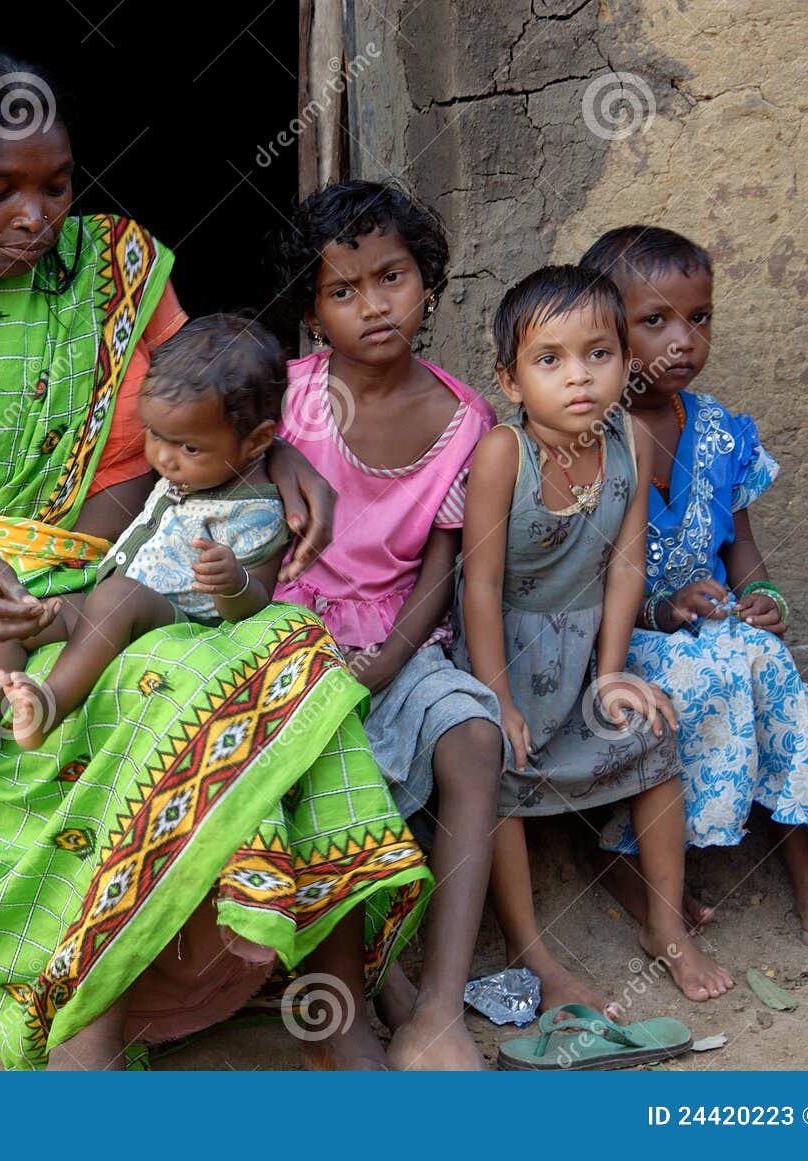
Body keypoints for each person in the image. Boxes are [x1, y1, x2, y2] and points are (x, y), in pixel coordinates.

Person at [0, 47, 433, 1069]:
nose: (35, 214)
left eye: (55, 185)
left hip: (152, 577)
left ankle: (345, 1031)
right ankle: (91, 1036)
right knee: (167, 681)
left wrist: (275, 456)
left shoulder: (118, 273)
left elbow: (219, 392)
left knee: (289, 649)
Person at [580, 226, 808, 936]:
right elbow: (578, 586)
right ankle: (626, 854)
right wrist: (663, 611)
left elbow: (745, 552)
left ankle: (803, 846)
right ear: (606, 328)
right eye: (655, 321)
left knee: (755, 651)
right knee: (737, 664)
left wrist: (767, 600)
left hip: (719, 642)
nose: (683, 340)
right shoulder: (588, 439)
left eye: (699, 319)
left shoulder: (722, 433)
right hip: (620, 651)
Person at [269, 181, 503, 1069]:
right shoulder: (288, 404)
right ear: (312, 312)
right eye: (343, 290)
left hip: (401, 638)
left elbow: (438, 574)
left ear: (429, 281)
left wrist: (383, 665)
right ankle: (363, 994)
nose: (374, 304)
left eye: (393, 276)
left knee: (474, 735)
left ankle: (440, 1007)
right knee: (319, 757)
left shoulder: (462, 420)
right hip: (289, 633)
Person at [458, 264, 734, 1006]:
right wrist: (497, 694)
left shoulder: (632, 446)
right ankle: (531, 947)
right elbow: (478, 586)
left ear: (622, 362)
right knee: (496, 760)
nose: (578, 377)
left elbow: (625, 564)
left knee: (652, 733)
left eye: (599, 354)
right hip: (502, 656)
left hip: (581, 656)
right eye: (550, 360)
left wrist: (612, 672)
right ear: (511, 382)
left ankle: (666, 928)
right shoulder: (501, 455)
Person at [0, 315, 295, 767]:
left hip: (183, 627)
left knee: (117, 596)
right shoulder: (197, 467)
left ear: (258, 441)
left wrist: (233, 584)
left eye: (187, 447)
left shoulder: (257, 510)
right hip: (114, 608)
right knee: (27, 618)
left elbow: (256, 605)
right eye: (154, 435)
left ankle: (47, 706)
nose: (163, 458)